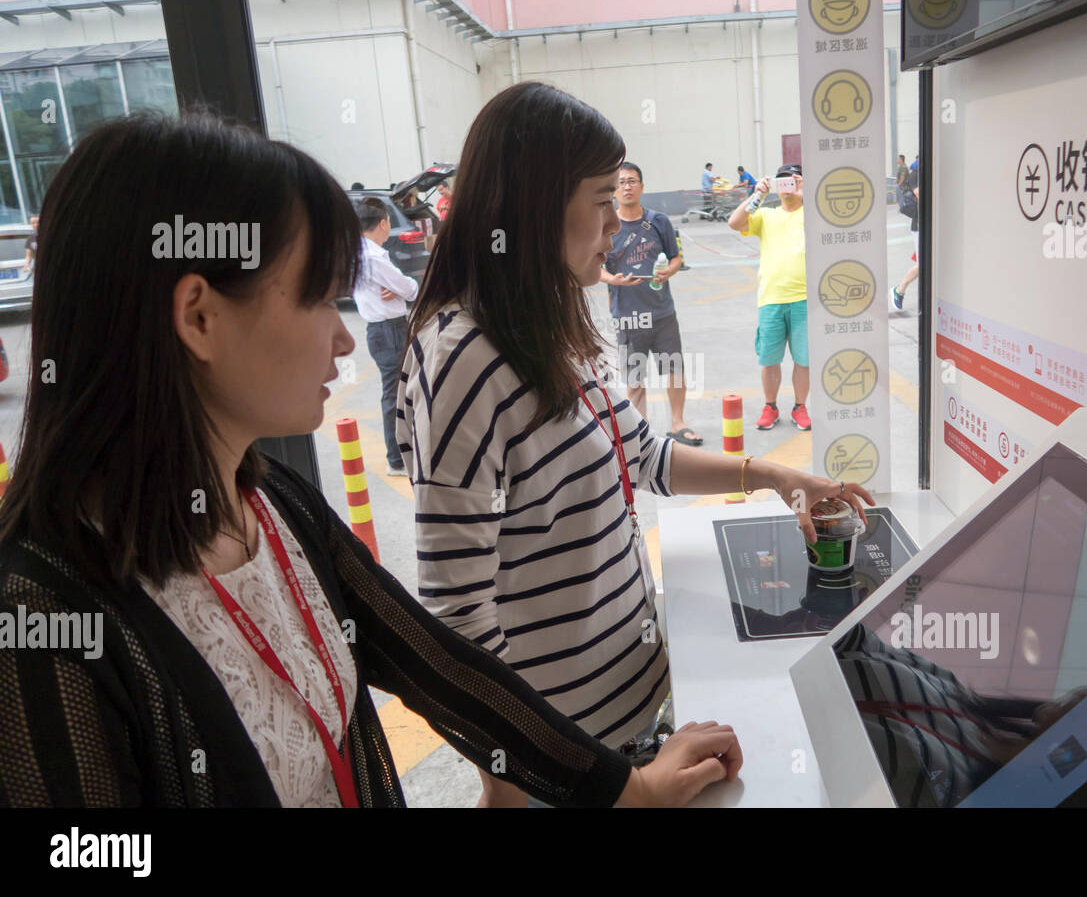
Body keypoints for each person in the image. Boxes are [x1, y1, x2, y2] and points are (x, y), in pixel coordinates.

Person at [0, 110, 744, 808]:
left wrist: (621, 789)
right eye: (321, 300)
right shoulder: (43, 616)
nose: (347, 339)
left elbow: (439, 666)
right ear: (199, 316)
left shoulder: (273, 505)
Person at [397, 82, 875, 806]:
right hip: (569, 768)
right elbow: (457, 633)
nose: (615, 227)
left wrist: (776, 476)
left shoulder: (551, 327)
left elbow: (644, 455)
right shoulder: (464, 361)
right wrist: (587, 788)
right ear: (531, 210)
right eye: (598, 203)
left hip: (628, 728)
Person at [599, 161, 702, 447]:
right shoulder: (607, 226)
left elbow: (676, 257)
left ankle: (678, 423)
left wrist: (670, 269)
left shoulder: (659, 221)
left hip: (662, 312)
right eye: (621, 182)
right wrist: (614, 280)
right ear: (614, 190)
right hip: (628, 317)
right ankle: (640, 432)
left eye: (632, 181)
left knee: (675, 370)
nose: (627, 187)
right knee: (634, 378)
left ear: (642, 187)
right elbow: (597, 268)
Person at [728, 163, 811, 431]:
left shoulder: (812, 214)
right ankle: (770, 406)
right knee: (769, 358)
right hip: (771, 298)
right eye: (783, 180)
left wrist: (805, 193)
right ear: (775, 184)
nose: (788, 185)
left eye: (793, 180)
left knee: (804, 359)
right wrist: (757, 194)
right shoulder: (765, 214)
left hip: (805, 298)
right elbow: (734, 222)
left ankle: (800, 406)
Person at [353, 197, 420, 476]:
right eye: (389, 222)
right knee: (395, 395)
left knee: (398, 392)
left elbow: (398, 287)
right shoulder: (374, 257)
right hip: (389, 329)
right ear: (383, 223)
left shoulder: (358, 252)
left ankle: (401, 453)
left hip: (381, 329)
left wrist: (397, 288)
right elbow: (411, 289)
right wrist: (402, 287)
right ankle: (396, 459)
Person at [893, 160, 921, 309]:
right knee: (923, 264)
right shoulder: (916, 174)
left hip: (932, 225)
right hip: (920, 225)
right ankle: (900, 289)